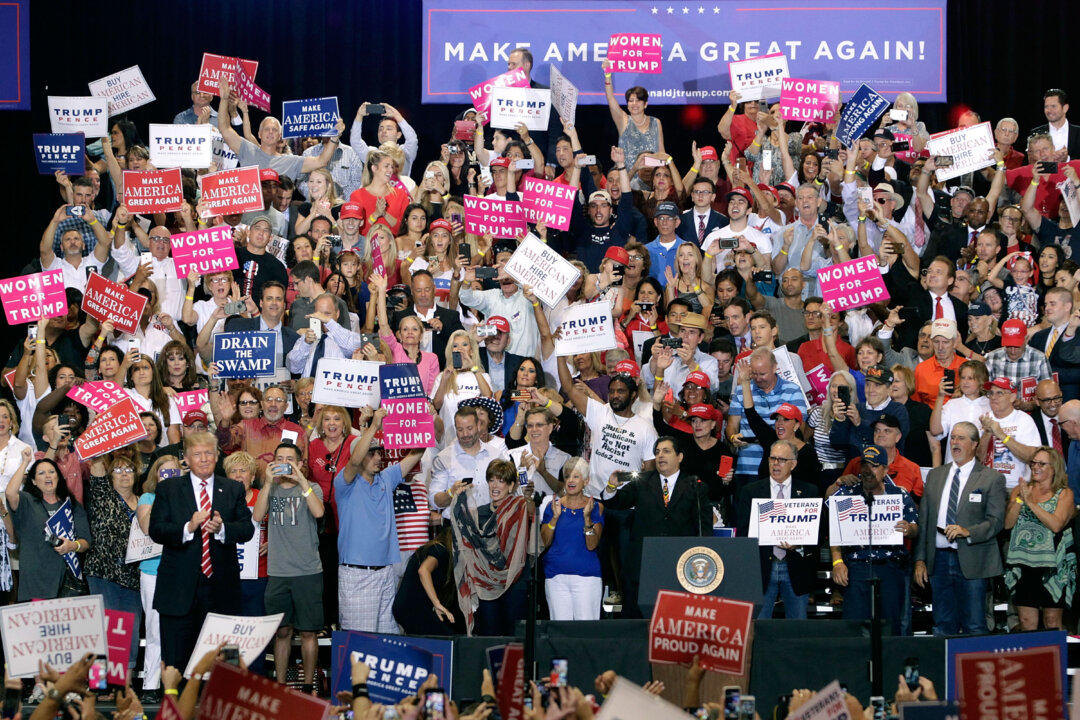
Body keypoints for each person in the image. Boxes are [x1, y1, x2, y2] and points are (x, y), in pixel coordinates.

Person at [149, 431, 254, 669]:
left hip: (222, 591)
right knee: (176, 663)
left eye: (209, 453)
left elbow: (246, 529)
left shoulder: (232, 489)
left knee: (224, 665)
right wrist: (189, 526)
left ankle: (219, 705)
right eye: (197, 454)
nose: (204, 459)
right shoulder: (169, 488)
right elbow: (157, 530)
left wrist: (222, 528)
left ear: (217, 457)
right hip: (178, 592)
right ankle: (177, 704)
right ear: (186, 458)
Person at [601, 437, 711, 618]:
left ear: (680, 457)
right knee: (638, 618)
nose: (660, 456)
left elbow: (704, 528)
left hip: (679, 564)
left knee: (675, 618)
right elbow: (616, 502)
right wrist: (612, 486)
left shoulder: (695, 485)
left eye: (666, 451)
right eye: (657, 452)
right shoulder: (642, 481)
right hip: (644, 563)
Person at [913, 421, 1006, 636]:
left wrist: (968, 531)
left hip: (973, 560)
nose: (955, 442)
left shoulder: (992, 478)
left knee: (974, 624)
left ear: (974, 444)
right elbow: (924, 520)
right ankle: (944, 670)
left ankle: (974, 669)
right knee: (942, 625)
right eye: (953, 438)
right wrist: (920, 560)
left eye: (961, 438)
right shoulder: (935, 476)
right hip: (939, 561)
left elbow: (996, 521)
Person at [335, 408, 424, 633]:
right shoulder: (344, 483)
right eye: (372, 453)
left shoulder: (386, 477)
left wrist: (423, 419)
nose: (378, 457)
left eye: (379, 452)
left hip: (385, 573)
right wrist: (374, 425)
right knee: (360, 643)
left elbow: (417, 453)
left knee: (386, 643)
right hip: (357, 575)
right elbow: (354, 462)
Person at [253, 442, 325, 695]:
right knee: (282, 631)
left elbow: (318, 512)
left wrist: (302, 481)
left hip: (307, 571)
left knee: (308, 631)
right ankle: (280, 687)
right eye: (279, 458)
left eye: (289, 459)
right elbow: (257, 515)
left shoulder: (311, 487)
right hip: (278, 571)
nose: (284, 463)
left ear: (300, 462)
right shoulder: (270, 490)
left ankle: (307, 685)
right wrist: (267, 483)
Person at [830, 445, 919, 635]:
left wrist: (909, 528)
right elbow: (834, 527)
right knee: (854, 630)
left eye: (874, 466)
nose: (868, 471)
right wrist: (837, 561)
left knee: (891, 628)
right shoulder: (848, 494)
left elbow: (915, 528)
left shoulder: (899, 494)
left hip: (891, 567)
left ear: (885, 469)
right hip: (857, 568)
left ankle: (887, 665)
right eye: (864, 465)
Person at [735, 440, 820, 619]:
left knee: (797, 630)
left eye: (781, 459)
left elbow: (818, 532)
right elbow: (742, 532)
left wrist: (800, 544)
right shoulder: (750, 491)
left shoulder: (809, 492)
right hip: (761, 567)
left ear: (793, 464)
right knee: (758, 629)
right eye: (772, 458)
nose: (775, 463)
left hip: (796, 567)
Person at [449, 458, 531, 635]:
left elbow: (531, 544)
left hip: (515, 582)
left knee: (514, 636)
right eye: (491, 480)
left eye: (501, 481)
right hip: (486, 585)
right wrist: (457, 498)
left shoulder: (520, 507)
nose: (495, 485)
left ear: (511, 486)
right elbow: (465, 536)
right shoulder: (479, 513)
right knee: (489, 634)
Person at [1004, 446, 1076, 631]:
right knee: (1027, 623)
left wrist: (1031, 503)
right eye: (1033, 463)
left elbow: (1056, 524)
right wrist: (1020, 499)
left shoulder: (1064, 494)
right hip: (1024, 564)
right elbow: (1008, 524)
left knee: (1052, 621)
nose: (1035, 467)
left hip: (1052, 566)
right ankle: (1030, 660)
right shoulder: (1020, 490)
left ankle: (1056, 660)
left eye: (1041, 464)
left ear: (1054, 468)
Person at [85, 453, 144, 677]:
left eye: (128, 469)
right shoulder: (103, 496)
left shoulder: (144, 501)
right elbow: (97, 467)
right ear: (110, 477)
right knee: (103, 627)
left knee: (128, 629)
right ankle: (99, 685)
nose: (124, 474)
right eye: (117, 470)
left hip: (133, 574)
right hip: (103, 571)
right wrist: (103, 435)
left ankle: (122, 685)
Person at [727, 348, 808, 491]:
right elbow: (731, 425)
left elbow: (800, 430)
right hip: (747, 466)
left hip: (780, 467)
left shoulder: (792, 390)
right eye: (754, 373)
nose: (758, 378)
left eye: (763, 374)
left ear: (775, 367)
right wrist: (733, 437)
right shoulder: (741, 391)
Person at [540, 457, 604, 620]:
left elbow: (592, 545)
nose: (570, 480)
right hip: (556, 577)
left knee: (585, 634)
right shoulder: (552, 506)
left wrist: (587, 518)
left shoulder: (596, 507)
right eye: (567, 476)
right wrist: (554, 519)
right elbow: (544, 543)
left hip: (587, 578)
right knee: (559, 633)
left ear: (586, 480)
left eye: (576, 476)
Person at [430, 406, 507, 519]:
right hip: (456, 528)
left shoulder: (496, 455)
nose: (465, 434)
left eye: (469, 428)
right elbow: (434, 501)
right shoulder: (443, 458)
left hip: (491, 525)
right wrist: (451, 493)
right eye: (460, 430)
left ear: (478, 426)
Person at [392, 526, 460, 635]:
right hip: (413, 610)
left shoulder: (432, 548)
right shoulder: (440, 550)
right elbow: (423, 570)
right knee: (449, 638)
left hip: (409, 608)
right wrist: (436, 603)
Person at [979, 377, 1040, 490]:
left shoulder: (1024, 420)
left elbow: (1031, 457)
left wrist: (1002, 435)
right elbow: (977, 459)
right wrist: (987, 433)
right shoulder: (984, 418)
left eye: (999, 393)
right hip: (986, 485)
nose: (993, 397)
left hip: (1015, 486)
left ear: (1012, 397)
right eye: (991, 393)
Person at [1030, 89, 1080, 160]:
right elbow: (1031, 161)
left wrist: (1067, 159)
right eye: (1046, 107)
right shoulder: (1036, 133)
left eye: (1053, 106)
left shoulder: (1078, 133)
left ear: (1065, 108)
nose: (1049, 111)